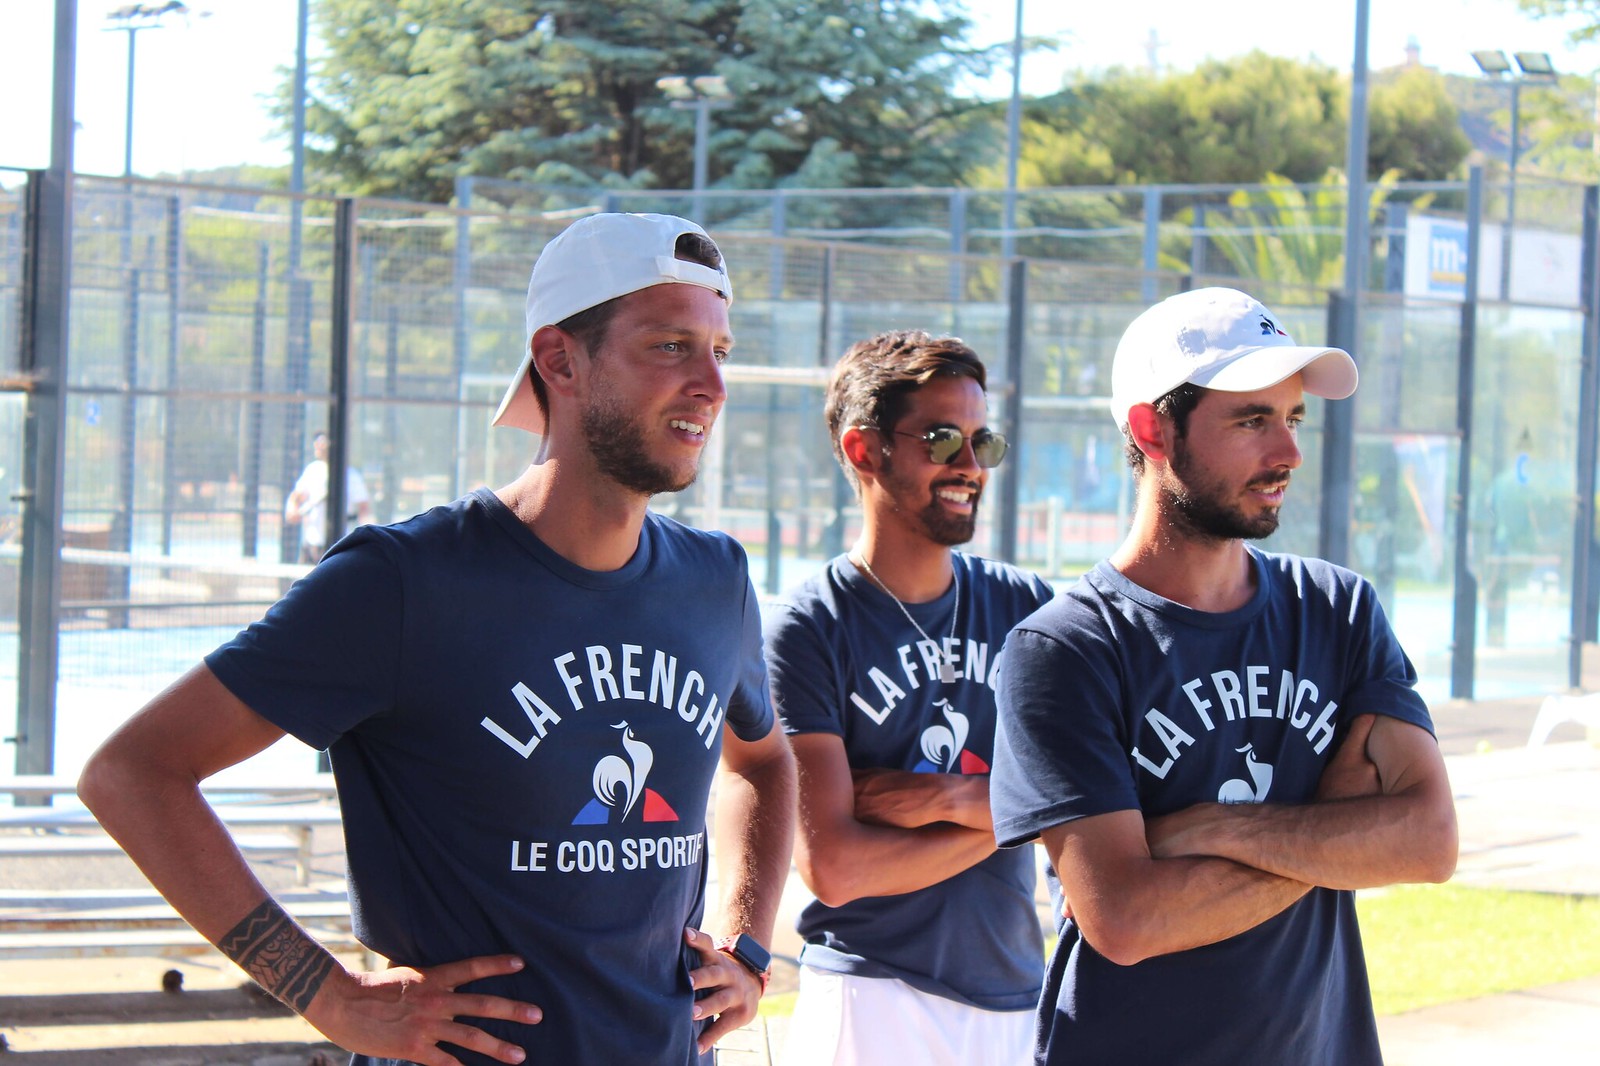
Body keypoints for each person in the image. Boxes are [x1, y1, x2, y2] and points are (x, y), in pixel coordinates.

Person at [79, 212, 798, 1066]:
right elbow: (132, 773)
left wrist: (748, 948)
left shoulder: (715, 579)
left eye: (719, 350)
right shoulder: (404, 580)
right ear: (561, 359)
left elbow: (761, 760)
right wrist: (325, 993)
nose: (711, 384)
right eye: (670, 346)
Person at [990, 287, 1459, 1065]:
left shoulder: (1336, 608)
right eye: (1252, 421)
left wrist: (1218, 829)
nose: (1289, 453)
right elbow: (1126, 919)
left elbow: (1429, 841)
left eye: (1293, 418)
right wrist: (1332, 829)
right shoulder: (1063, 649)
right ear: (1152, 428)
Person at [763, 329, 1054, 1065]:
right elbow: (834, 866)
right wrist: (1017, 811)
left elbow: (1090, 803)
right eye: (942, 438)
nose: (969, 466)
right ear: (866, 451)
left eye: (982, 442)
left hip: (1016, 997)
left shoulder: (1028, 608)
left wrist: (945, 800)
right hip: (869, 999)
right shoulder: (807, 629)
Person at [284, 431, 374, 564]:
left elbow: (364, 508)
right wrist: (291, 509)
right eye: (317, 442)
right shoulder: (312, 470)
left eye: (322, 442)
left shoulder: (350, 475)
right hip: (313, 543)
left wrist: (368, 536)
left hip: (340, 545)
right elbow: (296, 497)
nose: (318, 445)